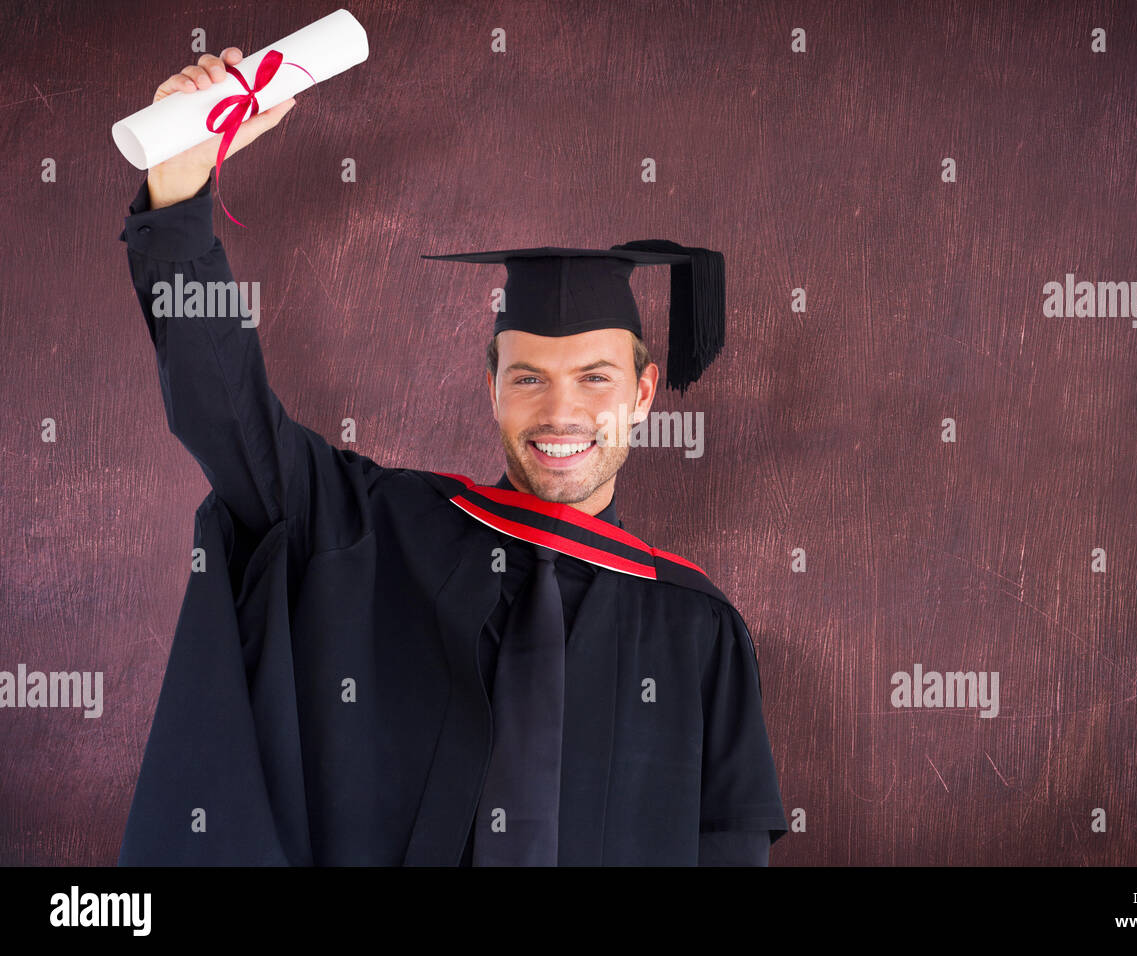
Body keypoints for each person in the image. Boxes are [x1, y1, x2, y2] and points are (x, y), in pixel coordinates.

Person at [116, 48, 787, 866]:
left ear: (644, 393)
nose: (561, 411)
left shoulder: (700, 629)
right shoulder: (371, 531)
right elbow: (226, 412)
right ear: (492, 387)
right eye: (529, 377)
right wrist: (178, 194)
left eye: (595, 378)